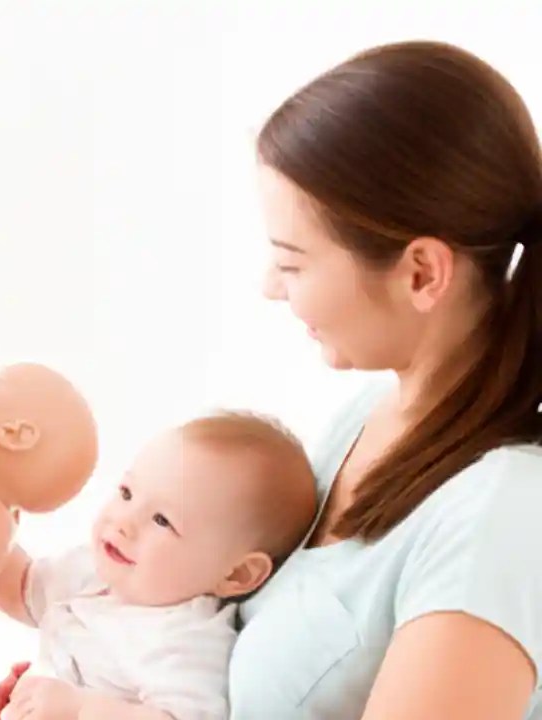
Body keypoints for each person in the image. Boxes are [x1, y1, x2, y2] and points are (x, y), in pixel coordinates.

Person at [232, 40, 542, 718]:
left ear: (422, 273)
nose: (269, 288)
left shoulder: (499, 516)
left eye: (293, 264)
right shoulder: (368, 417)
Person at [0, 411, 317, 720]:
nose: (124, 522)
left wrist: (79, 708)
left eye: (162, 520)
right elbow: (17, 588)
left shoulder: (185, 639)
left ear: (235, 574)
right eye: (127, 493)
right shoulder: (96, 568)